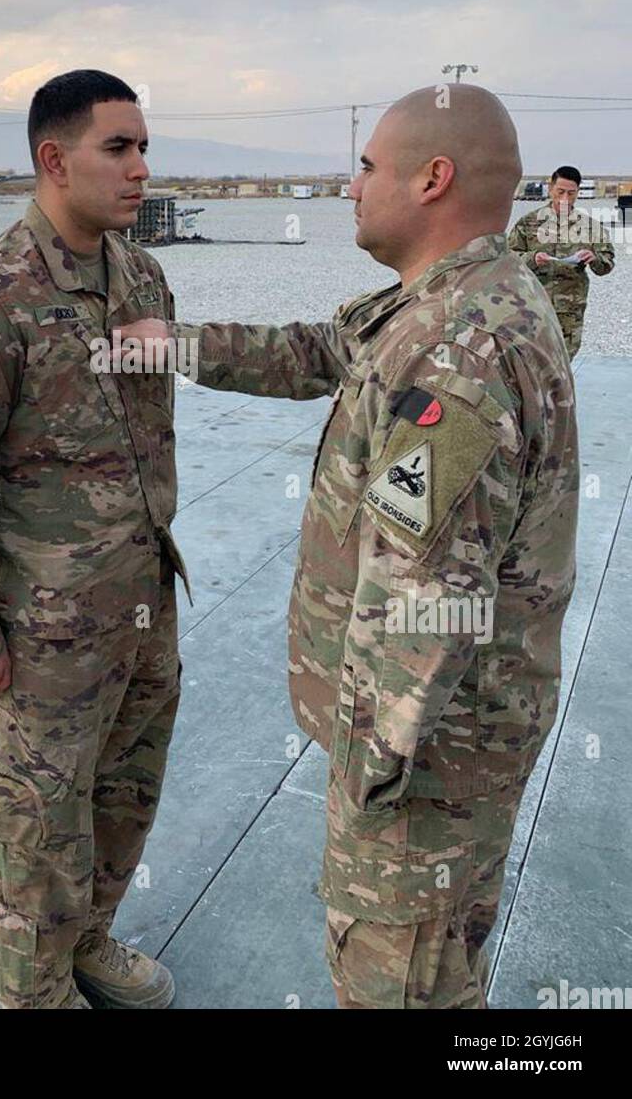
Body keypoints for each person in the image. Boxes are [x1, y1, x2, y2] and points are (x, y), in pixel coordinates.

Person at [119, 85, 579, 1009]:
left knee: (398, 985)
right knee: (438, 973)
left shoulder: (458, 353)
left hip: (425, 772)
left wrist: (369, 776)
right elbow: (316, 351)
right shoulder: (443, 304)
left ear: (431, 179)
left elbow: (424, 598)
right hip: (446, 752)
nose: (350, 187)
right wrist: (172, 344)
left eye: (367, 166)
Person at [0, 69, 188, 1010]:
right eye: (119, 147)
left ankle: (88, 944)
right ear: (53, 160)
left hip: (139, 607)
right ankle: (31, 995)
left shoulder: (139, 275)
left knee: (122, 797)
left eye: (144, 147)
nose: (141, 168)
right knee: (36, 831)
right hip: (39, 637)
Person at [508, 165, 614, 358]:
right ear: (551, 189)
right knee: (530, 359)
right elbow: (508, 258)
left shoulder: (590, 227)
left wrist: (595, 259)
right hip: (533, 305)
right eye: (560, 192)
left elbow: (607, 264)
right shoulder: (528, 223)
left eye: (571, 193)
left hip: (569, 308)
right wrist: (532, 258)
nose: (565, 198)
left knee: (564, 359)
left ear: (578, 193)